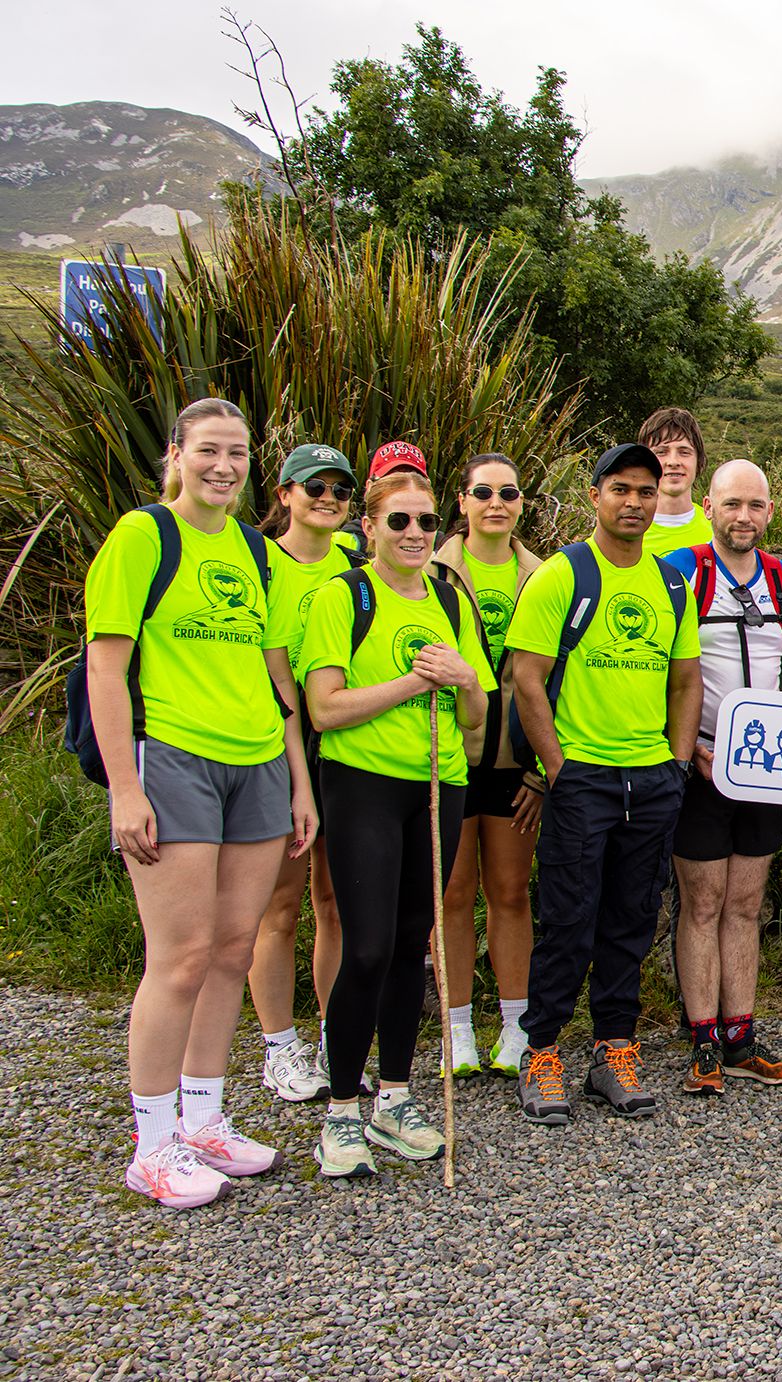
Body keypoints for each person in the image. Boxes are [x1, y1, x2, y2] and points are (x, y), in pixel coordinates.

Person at [85, 398, 318, 1208]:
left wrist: (297, 780)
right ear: (177, 453)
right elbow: (106, 669)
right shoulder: (143, 537)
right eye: (209, 450)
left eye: (239, 453)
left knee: (230, 949)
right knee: (178, 958)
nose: (224, 466)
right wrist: (124, 788)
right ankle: (151, 1147)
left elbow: (276, 675)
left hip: (256, 760)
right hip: (175, 759)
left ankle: (204, 1117)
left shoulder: (256, 552)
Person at [302, 468, 493, 1177]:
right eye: (398, 521)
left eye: (424, 522)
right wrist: (419, 681)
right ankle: (341, 1111)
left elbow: (476, 722)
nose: (414, 534)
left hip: (438, 785)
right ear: (369, 530)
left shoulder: (448, 599)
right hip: (363, 784)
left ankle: (395, 1097)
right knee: (370, 948)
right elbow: (325, 709)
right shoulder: (342, 597)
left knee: (417, 945)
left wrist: (467, 681)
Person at [506, 444, 701, 1125]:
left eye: (646, 492)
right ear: (595, 496)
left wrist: (675, 765)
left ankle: (614, 1050)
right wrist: (559, 766)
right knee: (568, 918)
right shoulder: (563, 574)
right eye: (621, 489)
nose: (635, 503)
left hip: (651, 779)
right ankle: (542, 1052)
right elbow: (526, 677)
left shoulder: (671, 582)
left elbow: (685, 679)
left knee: (630, 921)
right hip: (582, 777)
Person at [662, 460, 782, 1095]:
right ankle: (702, 1042)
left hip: (767, 769)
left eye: (754, 505)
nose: (742, 516)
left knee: (745, 905)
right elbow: (665, 673)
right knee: (701, 903)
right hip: (700, 765)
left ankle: (741, 1037)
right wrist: (684, 744)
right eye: (731, 505)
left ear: (769, 511)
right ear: (710, 508)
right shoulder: (681, 573)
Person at [429, 455, 545, 1078]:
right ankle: (456, 1031)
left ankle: (515, 1027)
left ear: (522, 502)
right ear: (463, 499)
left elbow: (557, 678)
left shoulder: (542, 574)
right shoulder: (433, 568)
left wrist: (540, 769)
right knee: (451, 893)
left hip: (515, 761)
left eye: (508, 492)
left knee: (509, 892)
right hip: (449, 754)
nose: (495, 502)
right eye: (483, 491)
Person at [250, 444, 360, 1104]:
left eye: (341, 489)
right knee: (280, 905)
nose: (328, 497)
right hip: (275, 742)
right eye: (313, 485)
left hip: (344, 740)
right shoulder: (261, 562)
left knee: (335, 903)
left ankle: (331, 1038)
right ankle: (277, 1047)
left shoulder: (354, 564)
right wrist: (294, 774)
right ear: (285, 493)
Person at [638, 408, 715, 559]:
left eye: (684, 452)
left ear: (699, 461)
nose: (673, 462)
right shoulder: (624, 528)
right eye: (661, 452)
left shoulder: (717, 529)